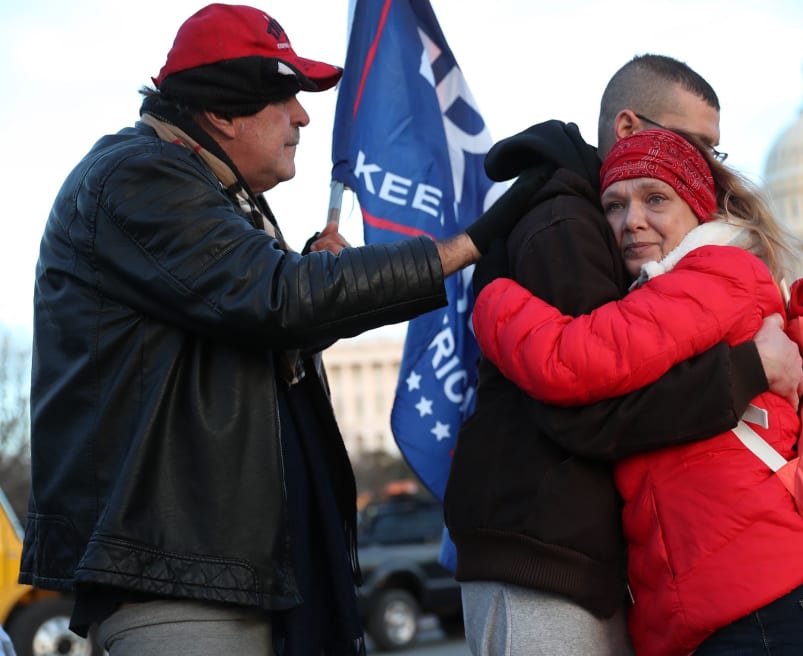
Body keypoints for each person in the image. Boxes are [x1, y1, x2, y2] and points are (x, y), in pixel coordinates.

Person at [18, 5, 539, 656]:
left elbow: (261, 320)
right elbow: (276, 298)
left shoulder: (207, 187)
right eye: (286, 95)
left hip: (221, 572)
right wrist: (466, 246)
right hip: (181, 583)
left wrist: (310, 283)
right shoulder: (138, 175)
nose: (303, 116)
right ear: (222, 110)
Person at [444, 54, 803, 656]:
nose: (712, 165)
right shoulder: (567, 220)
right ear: (630, 128)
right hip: (544, 557)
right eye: (698, 144)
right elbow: (586, 403)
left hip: (594, 561)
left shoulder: (647, 250)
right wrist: (751, 368)